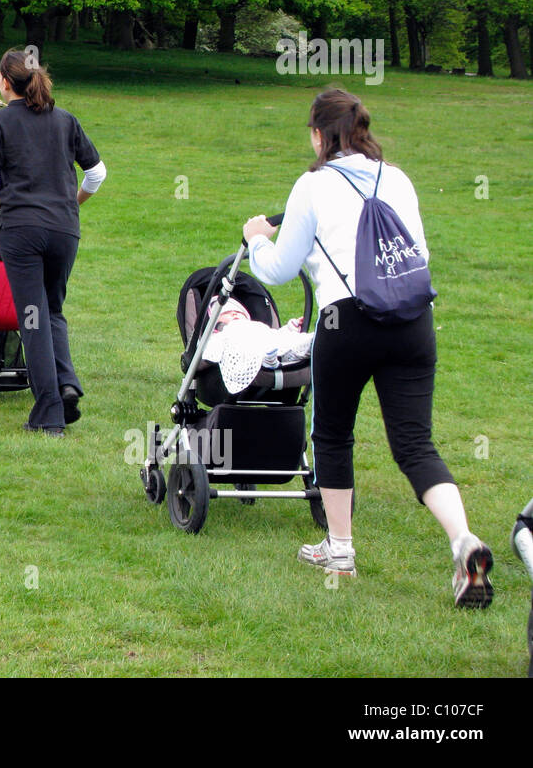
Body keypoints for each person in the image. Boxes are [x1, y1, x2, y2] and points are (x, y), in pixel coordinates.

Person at [244, 88, 493, 607]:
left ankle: (339, 550)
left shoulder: (313, 185)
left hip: (348, 321)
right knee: (415, 445)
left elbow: (277, 270)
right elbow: (415, 253)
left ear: (319, 134)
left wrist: (256, 239)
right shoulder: (397, 178)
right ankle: (463, 540)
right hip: (412, 321)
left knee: (333, 434)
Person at [0, 50, 106, 436]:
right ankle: (65, 385)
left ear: (4, 80)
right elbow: (97, 174)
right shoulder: (65, 120)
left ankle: (49, 413)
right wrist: (72, 203)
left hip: (23, 231)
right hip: (65, 229)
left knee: (31, 317)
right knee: (51, 310)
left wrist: (10, 206)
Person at [201, 297, 313, 396]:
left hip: (268, 341)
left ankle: (309, 343)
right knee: (251, 347)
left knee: (288, 340)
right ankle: (269, 360)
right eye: (227, 313)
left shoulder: (255, 325)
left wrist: (291, 327)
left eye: (237, 312)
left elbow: (275, 335)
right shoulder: (223, 333)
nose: (234, 314)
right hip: (248, 347)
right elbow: (210, 349)